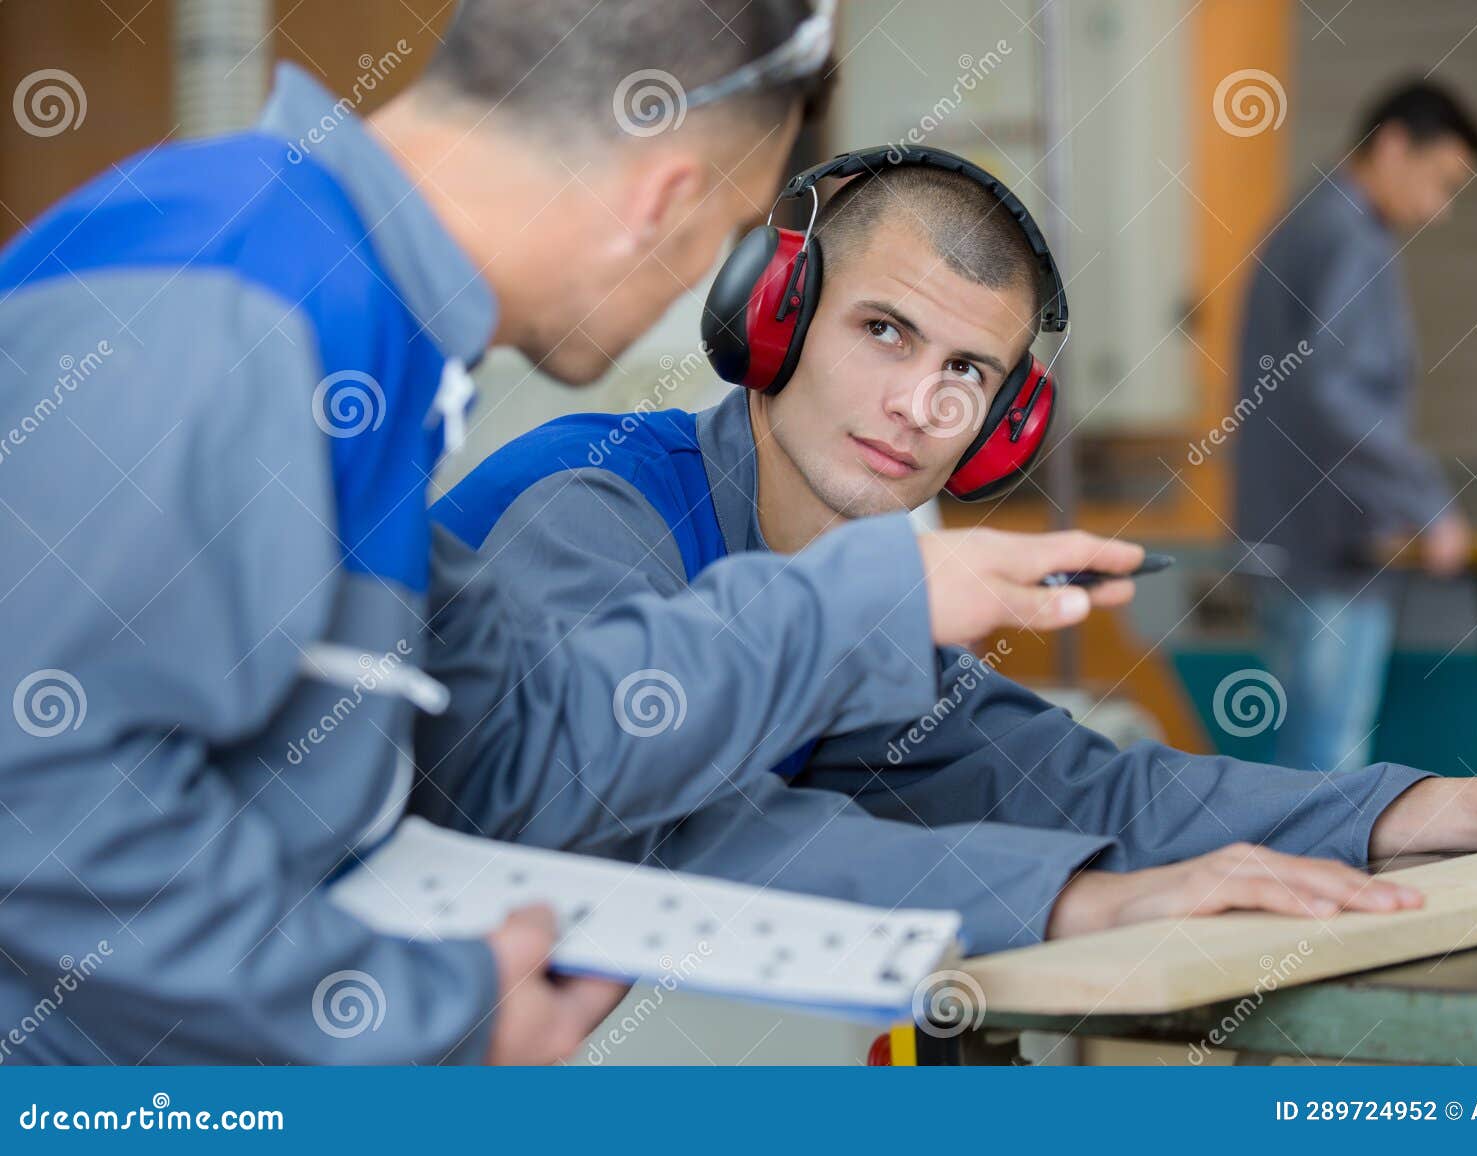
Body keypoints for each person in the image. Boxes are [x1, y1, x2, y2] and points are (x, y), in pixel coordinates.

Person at [0, 0, 1139, 1065]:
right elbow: (43, 817)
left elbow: (514, 734)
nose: (722, 289)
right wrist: (417, 1013)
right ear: (665, 196)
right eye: (736, 233)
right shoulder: (227, 304)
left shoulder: (350, 326)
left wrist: (869, 606)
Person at [431, 150, 1477, 954]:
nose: (916, 407)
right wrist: (1083, 902)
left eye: (965, 373)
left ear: (1002, 429)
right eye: (883, 331)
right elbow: (649, 837)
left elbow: (1089, 784)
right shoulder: (593, 507)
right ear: (774, 316)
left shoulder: (844, 595)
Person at [1234, 79, 1477, 773]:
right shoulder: (1350, 237)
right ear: (1394, 145)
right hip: (1328, 554)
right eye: (1440, 182)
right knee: (1328, 774)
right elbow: (1337, 394)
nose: (1440, 210)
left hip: (1289, 539)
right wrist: (1429, 505)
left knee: (1299, 762)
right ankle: (1318, 886)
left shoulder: (1308, 219)